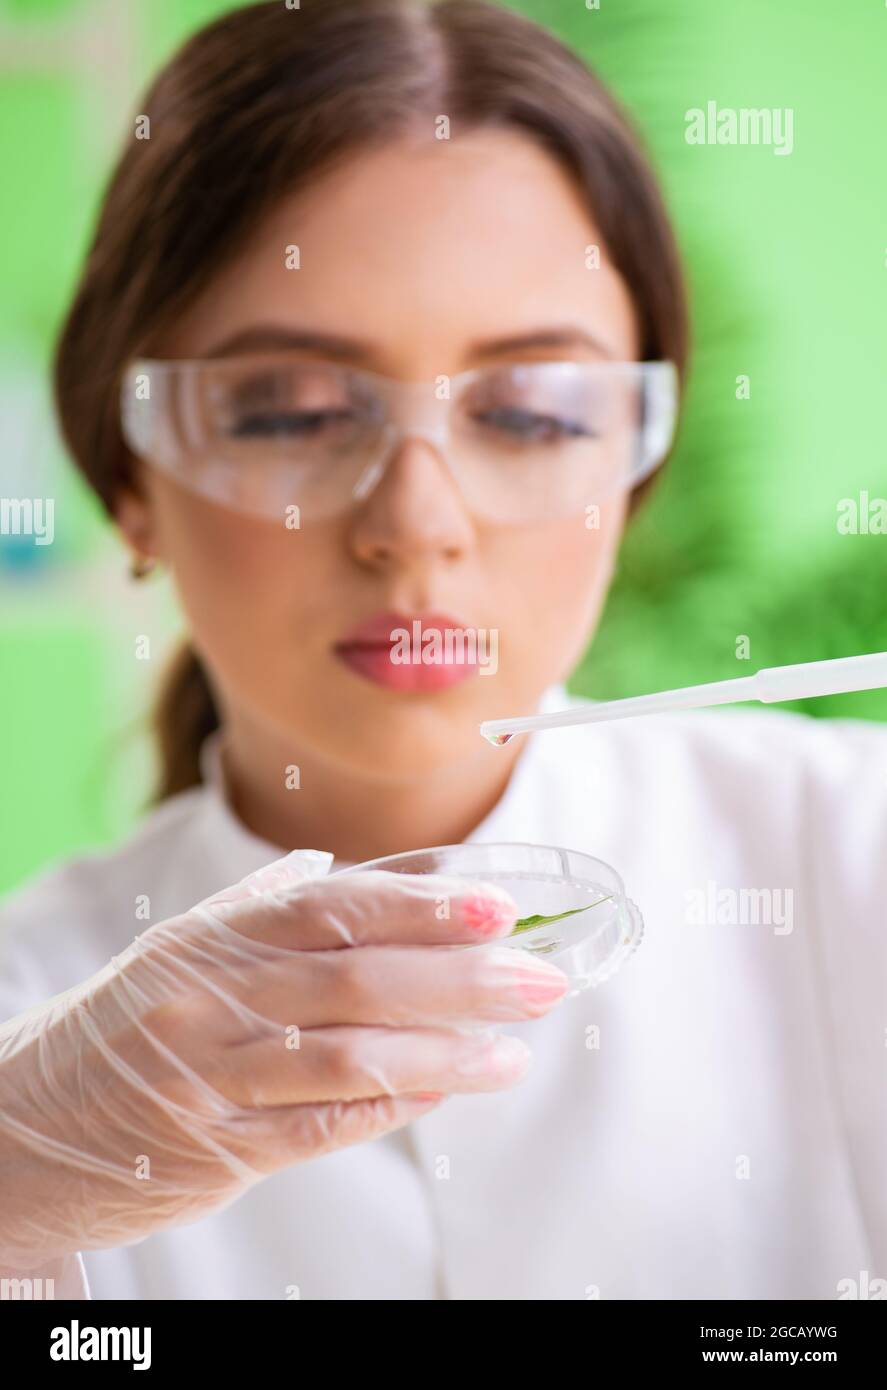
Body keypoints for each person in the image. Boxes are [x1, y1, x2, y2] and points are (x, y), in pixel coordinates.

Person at [1, 0, 884, 1302]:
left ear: (630, 468)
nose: (417, 521)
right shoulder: (33, 1031)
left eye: (531, 412)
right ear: (129, 475)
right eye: (293, 409)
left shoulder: (847, 860)